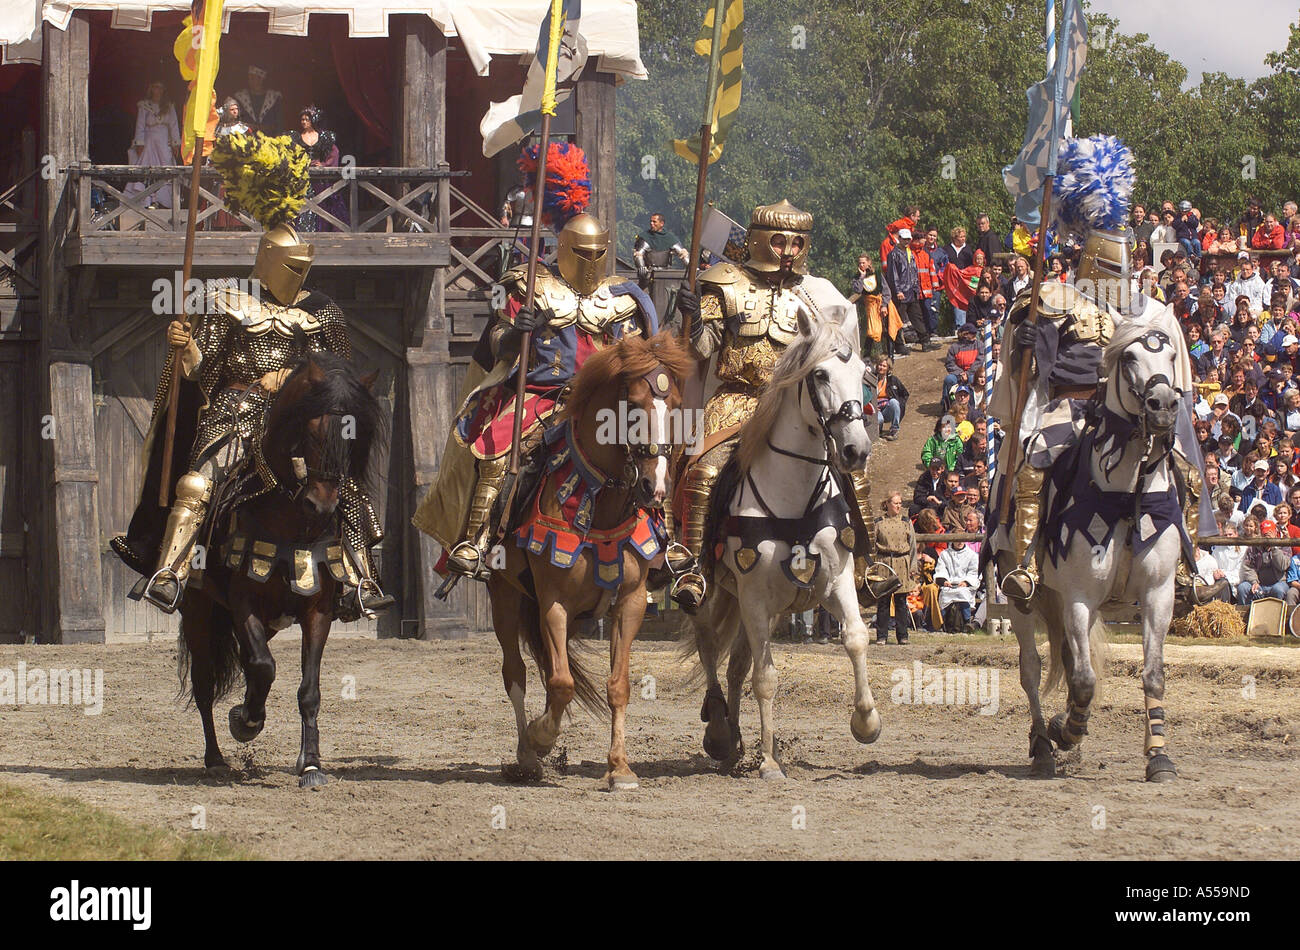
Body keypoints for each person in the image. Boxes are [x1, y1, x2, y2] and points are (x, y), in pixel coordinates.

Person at [111, 138, 390, 619]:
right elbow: (205, 373)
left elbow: (338, 383)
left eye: (304, 268)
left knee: (340, 484)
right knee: (199, 484)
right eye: (291, 267)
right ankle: (171, 571)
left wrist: (290, 379)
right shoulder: (227, 302)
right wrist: (186, 347)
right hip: (236, 412)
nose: (299, 276)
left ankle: (362, 581)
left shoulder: (322, 312)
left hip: (300, 419)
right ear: (266, 261)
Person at [414, 211, 657, 579]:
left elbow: (637, 352)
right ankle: (476, 541)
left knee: (652, 450)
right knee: (494, 453)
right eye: (582, 253)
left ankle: (662, 546)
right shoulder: (530, 286)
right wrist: (516, 333)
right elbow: (496, 340)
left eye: (598, 253)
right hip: (542, 397)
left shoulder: (620, 297)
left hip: (602, 401)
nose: (590, 263)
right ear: (563, 249)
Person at [669, 199, 871, 612]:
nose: (788, 251)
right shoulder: (725, 284)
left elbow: (843, 359)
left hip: (797, 404)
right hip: (736, 402)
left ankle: (868, 563)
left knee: (854, 468)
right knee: (704, 472)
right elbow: (700, 350)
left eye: (797, 243)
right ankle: (694, 569)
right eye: (779, 241)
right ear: (759, 240)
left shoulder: (821, 295)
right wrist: (692, 320)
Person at [125, 80, 181, 209]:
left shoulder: (169, 106)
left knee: (165, 167)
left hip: (163, 141)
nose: (158, 90)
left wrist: (175, 143)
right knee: (147, 168)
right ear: (151, 89)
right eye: (156, 87)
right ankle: (146, 200)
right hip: (149, 141)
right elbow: (140, 125)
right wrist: (140, 143)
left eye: (161, 88)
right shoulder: (145, 105)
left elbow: (173, 125)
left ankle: (163, 200)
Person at [291, 106, 348, 233]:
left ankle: (323, 229)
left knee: (324, 202)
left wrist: (324, 164)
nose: (304, 122)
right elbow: (291, 155)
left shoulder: (323, 137)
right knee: (301, 205)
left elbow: (334, 153)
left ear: (313, 121)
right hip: (303, 178)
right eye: (302, 119)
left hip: (320, 180)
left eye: (307, 119)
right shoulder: (297, 138)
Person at [872, 492, 916, 645]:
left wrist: (913, 566)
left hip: (901, 563)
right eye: (896, 503)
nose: (899, 506)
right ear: (887, 504)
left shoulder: (905, 522)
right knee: (883, 601)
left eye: (900, 503)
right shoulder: (878, 522)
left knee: (901, 602)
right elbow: (872, 546)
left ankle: (903, 636)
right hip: (884, 563)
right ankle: (882, 636)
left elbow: (912, 546)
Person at [633, 212, 689, 325]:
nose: (651, 223)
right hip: (648, 276)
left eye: (654, 221)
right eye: (651, 221)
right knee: (640, 300)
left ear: (661, 223)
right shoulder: (645, 237)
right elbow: (639, 254)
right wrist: (642, 267)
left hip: (666, 276)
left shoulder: (670, 238)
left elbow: (682, 254)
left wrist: (691, 268)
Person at [887, 227, 934, 350]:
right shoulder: (893, 254)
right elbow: (893, 275)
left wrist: (916, 288)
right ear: (900, 239)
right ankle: (899, 346)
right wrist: (898, 291)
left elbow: (913, 272)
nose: (907, 241)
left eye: (909, 239)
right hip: (901, 292)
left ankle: (925, 342)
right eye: (905, 239)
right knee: (898, 320)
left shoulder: (910, 253)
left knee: (917, 317)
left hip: (912, 291)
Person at [934, 535, 979, 632]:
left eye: (962, 540)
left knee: (962, 593)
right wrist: (944, 581)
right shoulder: (945, 554)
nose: (960, 542)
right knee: (945, 595)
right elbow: (941, 569)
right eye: (957, 540)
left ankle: (967, 621)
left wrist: (966, 582)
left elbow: (974, 572)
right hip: (949, 584)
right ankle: (945, 623)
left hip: (964, 585)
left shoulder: (972, 555)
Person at [233, 64, 283, 135]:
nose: (250, 80)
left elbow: (278, 124)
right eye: (249, 77)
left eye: (253, 78)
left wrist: (259, 127)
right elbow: (236, 121)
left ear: (261, 79)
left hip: (270, 140)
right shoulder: (241, 97)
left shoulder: (273, 98)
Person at [871, 356, 908, 440]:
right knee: (879, 420)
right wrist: (872, 405)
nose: (881, 367)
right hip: (875, 409)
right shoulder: (871, 379)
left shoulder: (892, 380)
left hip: (887, 409)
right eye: (880, 365)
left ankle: (894, 431)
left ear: (888, 368)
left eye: (884, 366)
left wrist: (900, 405)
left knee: (894, 402)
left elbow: (905, 394)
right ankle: (878, 431)